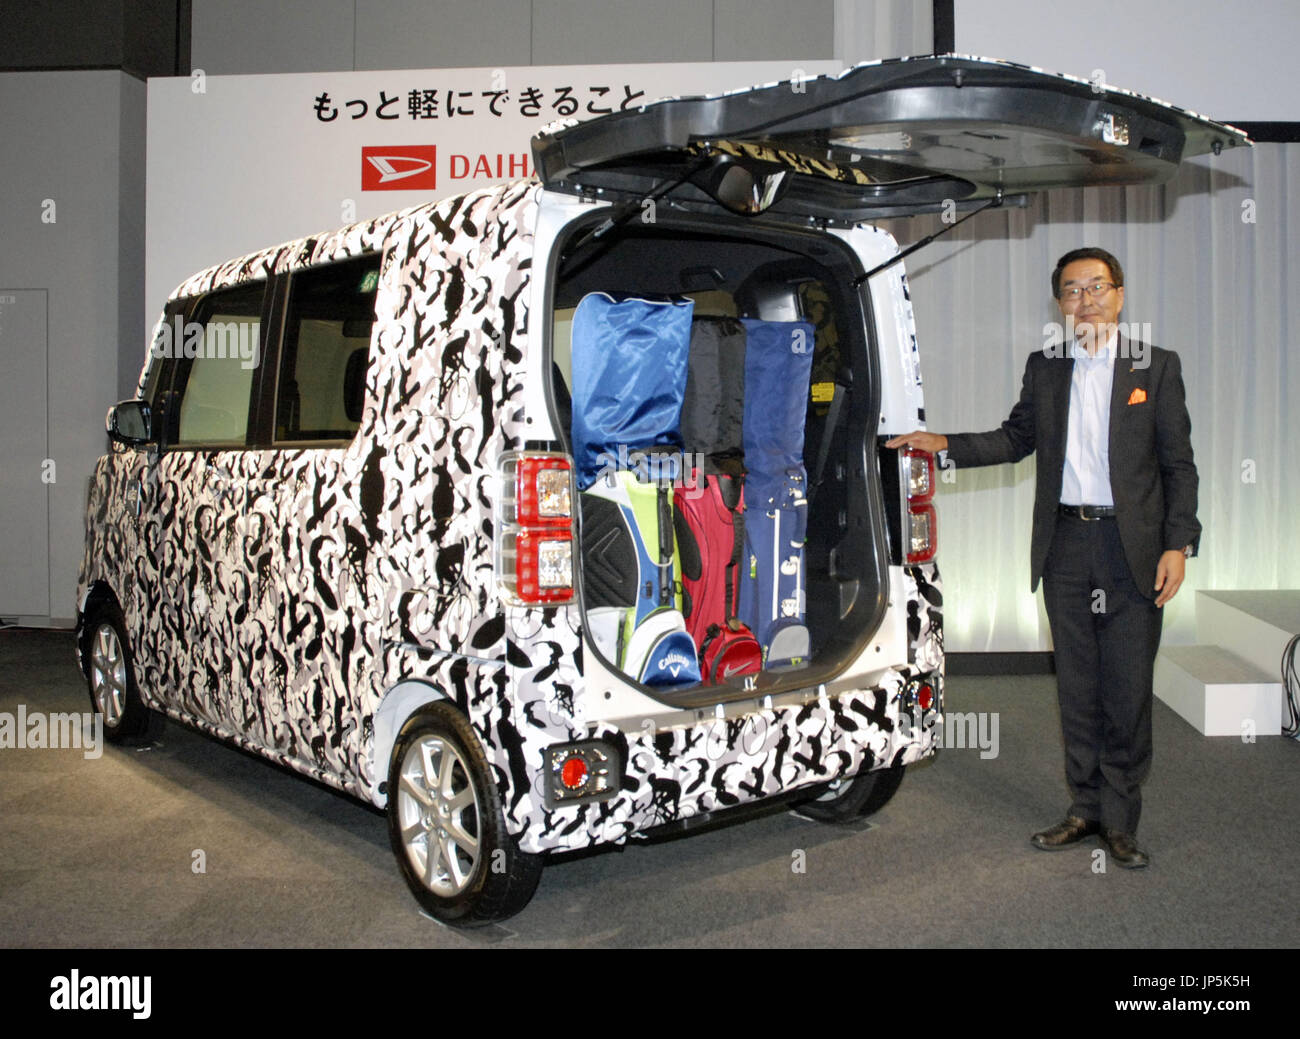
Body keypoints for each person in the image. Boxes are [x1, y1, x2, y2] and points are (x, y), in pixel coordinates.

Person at [886, 247, 1200, 869]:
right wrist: (944, 442)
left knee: (1128, 688)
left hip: (1131, 548)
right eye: (1072, 291)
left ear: (1120, 294)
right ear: (1059, 303)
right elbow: (1016, 438)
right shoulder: (1047, 367)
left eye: (1097, 287)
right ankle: (1084, 808)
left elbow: (1178, 464)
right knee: (1078, 687)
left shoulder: (1155, 368)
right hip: (1065, 545)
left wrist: (1177, 543)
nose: (1086, 300)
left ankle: (1121, 819)